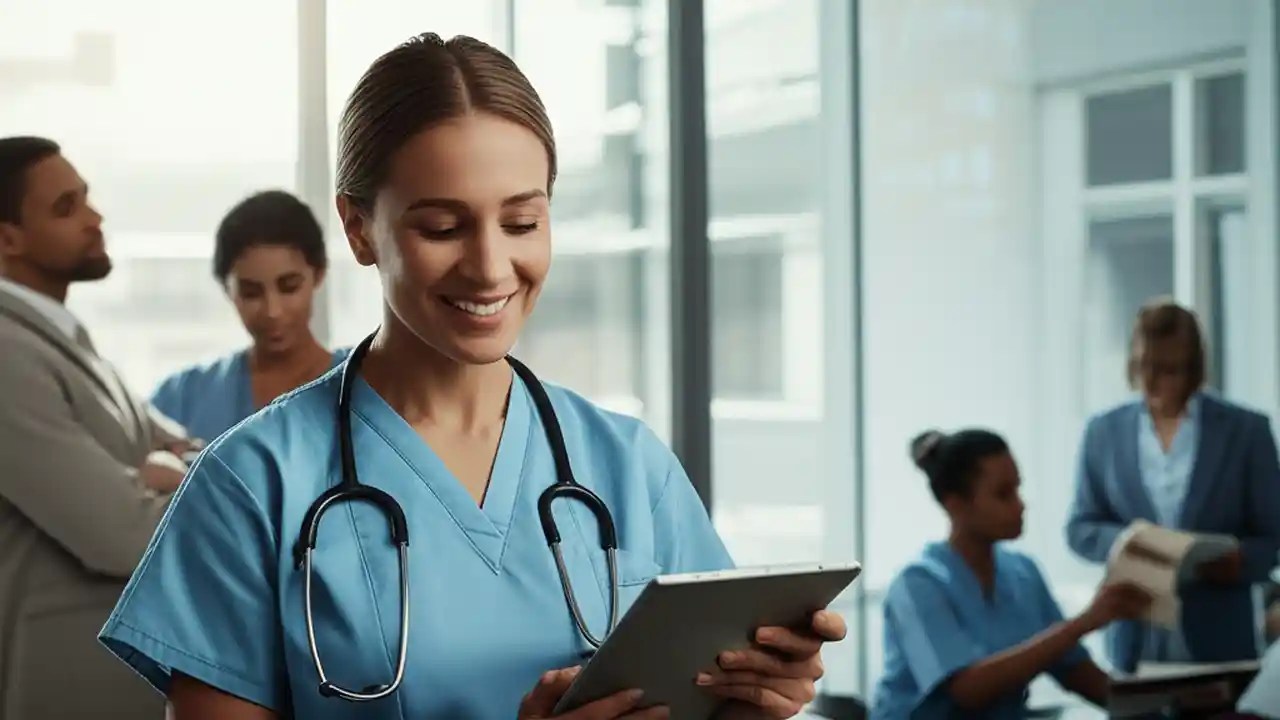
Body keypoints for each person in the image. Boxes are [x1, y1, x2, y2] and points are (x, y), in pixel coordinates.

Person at [98, 33, 844, 720]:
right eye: (443, 228)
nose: (490, 268)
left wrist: (750, 700)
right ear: (359, 228)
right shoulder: (252, 484)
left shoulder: (627, 465)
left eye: (521, 222)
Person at [0, 135, 196, 719]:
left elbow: (196, 451)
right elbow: (122, 533)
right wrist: (152, 482)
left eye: (86, 199)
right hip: (60, 681)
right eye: (66, 208)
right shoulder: (7, 355)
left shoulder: (64, 341)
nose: (95, 219)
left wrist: (163, 472)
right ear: (6, 238)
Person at [871, 429, 1151, 720]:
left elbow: (1076, 671)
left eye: (1018, 489)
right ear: (956, 505)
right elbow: (968, 690)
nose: (1020, 505)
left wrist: (1165, 706)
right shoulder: (917, 585)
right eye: (1003, 494)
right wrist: (1084, 622)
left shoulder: (1023, 573)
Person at [1066, 298, 1280, 673]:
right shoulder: (1103, 432)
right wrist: (1127, 543)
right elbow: (1080, 529)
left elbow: (1273, 537)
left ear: (1193, 368)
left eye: (1168, 370)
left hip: (1220, 637)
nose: (1152, 382)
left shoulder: (1247, 431)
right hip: (1134, 634)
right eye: (1144, 366)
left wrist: (1240, 562)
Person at [150, 190, 346, 442]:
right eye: (251, 293)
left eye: (289, 287)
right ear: (227, 289)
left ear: (318, 274)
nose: (272, 311)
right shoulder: (183, 398)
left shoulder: (367, 388)